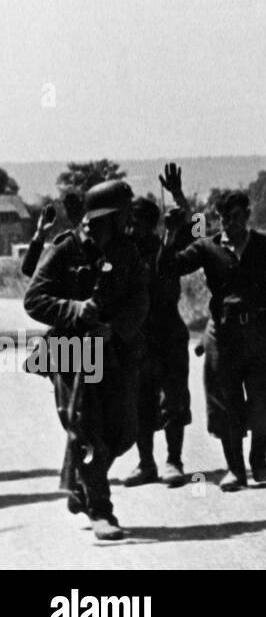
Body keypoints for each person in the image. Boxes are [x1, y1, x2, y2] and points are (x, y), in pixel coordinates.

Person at [24, 180, 148, 540]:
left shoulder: (127, 250)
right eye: (123, 211)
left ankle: (79, 481)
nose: (129, 218)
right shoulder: (66, 248)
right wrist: (77, 310)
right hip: (70, 350)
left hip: (112, 349)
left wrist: (117, 327)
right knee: (87, 429)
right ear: (106, 215)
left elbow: (140, 297)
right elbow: (34, 299)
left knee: (123, 432)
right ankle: (101, 510)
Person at [160, 185, 266, 491]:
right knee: (224, 400)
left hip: (261, 331)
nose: (228, 222)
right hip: (224, 332)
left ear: (246, 215)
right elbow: (169, 268)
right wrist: (170, 234)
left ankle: (258, 460)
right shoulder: (208, 247)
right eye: (222, 216)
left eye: (234, 216)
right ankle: (235, 469)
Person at [122, 187, 192, 488]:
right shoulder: (123, 251)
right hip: (137, 336)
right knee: (139, 401)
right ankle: (146, 463)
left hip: (168, 332)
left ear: (151, 223)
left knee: (173, 399)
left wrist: (181, 202)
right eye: (129, 221)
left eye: (137, 221)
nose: (131, 227)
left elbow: (197, 231)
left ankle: (174, 461)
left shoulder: (170, 243)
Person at [20, 192, 84, 278]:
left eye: (74, 207)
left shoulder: (93, 240)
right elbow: (28, 269)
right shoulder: (61, 242)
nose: (71, 212)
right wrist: (40, 234)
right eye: (67, 207)